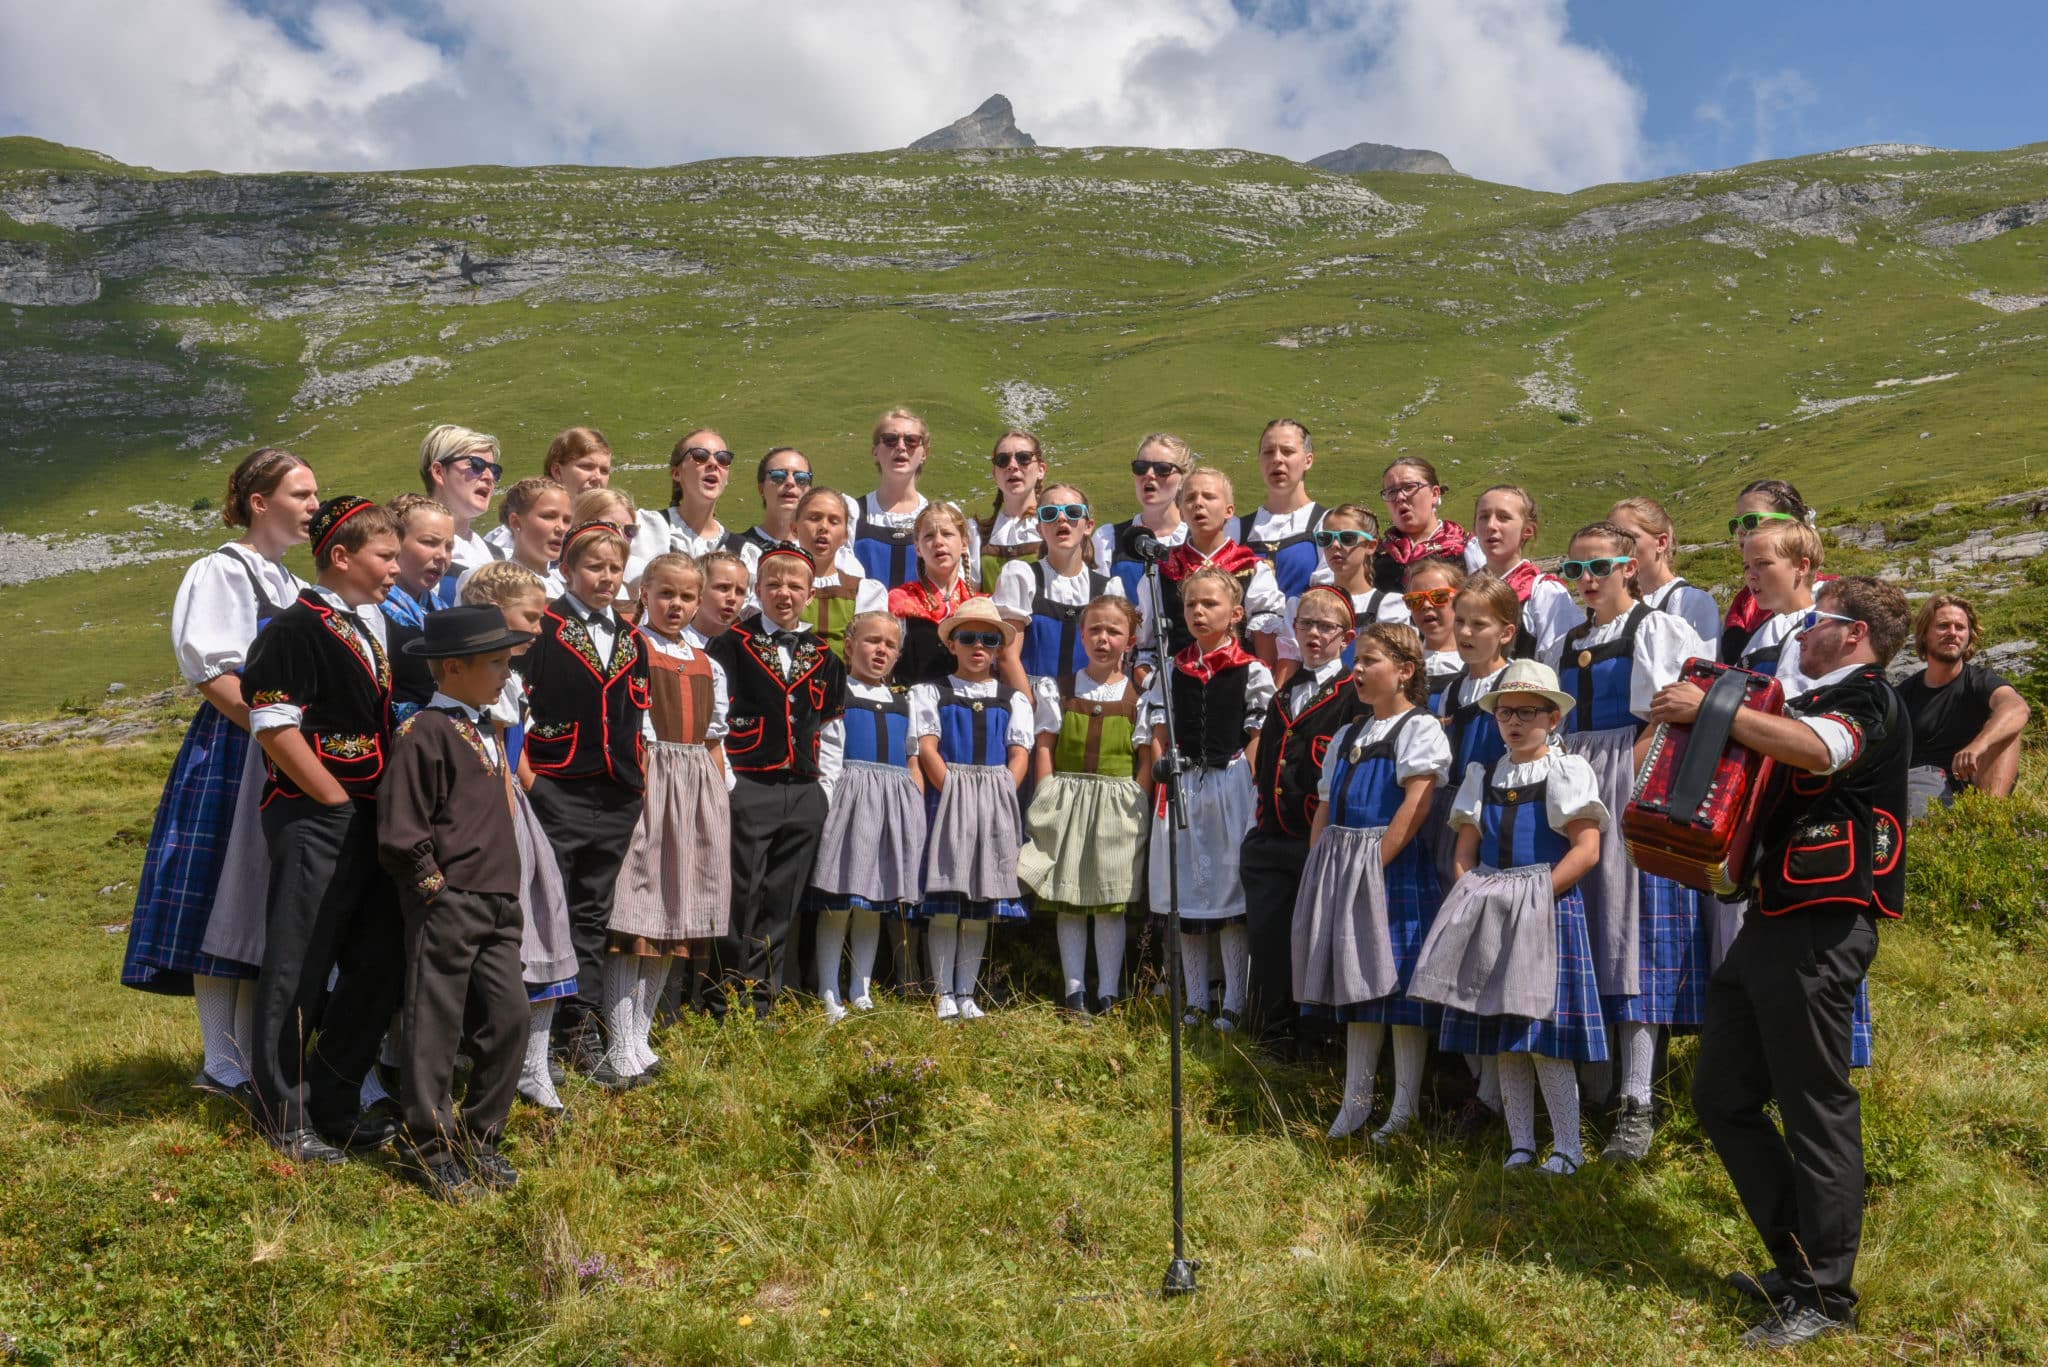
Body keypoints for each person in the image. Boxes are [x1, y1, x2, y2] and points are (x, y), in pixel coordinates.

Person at [1650, 576, 1912, 1349]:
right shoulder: (1809, 698)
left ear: (1854, 632)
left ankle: (1827, 1297)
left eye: (1815, 620)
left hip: (1822, 925)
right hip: (1773, 918)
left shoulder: (1869, 695)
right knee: (1720, 1093)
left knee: (1814, 1107)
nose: (1798, 631)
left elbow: (1823, 751)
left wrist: (1715, 709)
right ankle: (1799, 1265)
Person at [122, 448, 315, 1103]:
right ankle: (220, 1064)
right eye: (301, 494)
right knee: (220, 892)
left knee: (260, 898)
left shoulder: (292, 583)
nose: (314, 506)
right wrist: (271, 734)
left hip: (279, 742)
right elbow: (213, 672)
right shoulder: (222, 570)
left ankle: (247, 1061)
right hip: (239, 745)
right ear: (260, 502)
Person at [239, 495, 403, 1164]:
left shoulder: (370, 624)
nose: (396, 567)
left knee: (379, 956)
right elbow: (274, 725)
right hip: (316, 815)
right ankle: (282, 1114)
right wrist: (333, 800)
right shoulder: (294, 628)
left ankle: (336, 1099)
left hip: (371, 817)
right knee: (299, 963)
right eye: (385, 555)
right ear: (341, 556)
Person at [1544, 521, 1709, 1164]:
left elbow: (1663, 720)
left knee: (1635, 937)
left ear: (1629, 568)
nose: (1586, 580)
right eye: (1574, 569)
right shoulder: (1564, 642)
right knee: (1587, 931)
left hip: (1628, 782)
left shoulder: (1656, 628)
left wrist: (1624, 786)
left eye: (1600, 567)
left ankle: (1638, 1099)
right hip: (1575, 784)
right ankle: (1595, 1089)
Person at [1411, 659, 1609, 1175]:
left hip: (1546, 910)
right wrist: (1473, 892)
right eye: (1505, 713)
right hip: (1494, 908)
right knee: (1504, 1032)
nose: (1514, 722)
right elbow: (1465, 850)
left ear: (1553, 718)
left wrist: (1535, 895)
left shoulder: (1567, 771)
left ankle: (1568, 1146)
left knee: (1544, 1037)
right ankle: (1521, 1144)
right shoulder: (1484, 774)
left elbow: (1586, 849)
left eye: (1527, 712)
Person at [377, 604, 537, 1202]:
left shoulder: (489, 728)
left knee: (510, 1018)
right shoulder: (424, 732)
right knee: (434, 1026)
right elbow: (401, 827)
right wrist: (433, 888)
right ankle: (428, 1147)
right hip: (448, 903)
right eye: (495, 662)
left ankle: (480, 1136)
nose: (505, 673)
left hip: (498, 901)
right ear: (452, 668)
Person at [521, 521, 651, 1071]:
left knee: (592, 913)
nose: (606, 577)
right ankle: (534, 1037)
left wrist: (636, 783)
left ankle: (580, 1031)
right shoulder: (543, 628)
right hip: (558, 784)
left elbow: (637, 717)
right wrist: (536, 785)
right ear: (567, 569)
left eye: (615, 568)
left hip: (616, 792)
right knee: (545, 910)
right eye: (594, 566)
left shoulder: (632, 639)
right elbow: (517, 710)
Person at [600, 554, 731, 1088]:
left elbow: (714, 740)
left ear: (698, 602)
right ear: (645, 594)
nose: (675, 605)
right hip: (649, 779)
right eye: (666, 594)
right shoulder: (633, 648)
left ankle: (641, 1036)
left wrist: (717, 797)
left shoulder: (706, 662)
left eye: (686, 597)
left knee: (675, 913)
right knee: (637, 914)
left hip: (693, 785)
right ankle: (617, 1039)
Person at [707, 546, 849, 1019]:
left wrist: (824, 791)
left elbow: (832, 730)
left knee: (782, 898)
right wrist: (730, 783)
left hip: (804, 790)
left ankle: (761, 1001)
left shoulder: (825, 656)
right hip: (749, 784)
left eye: (794, 586)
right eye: (773, 585)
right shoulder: (731, 644)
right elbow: (715, 720)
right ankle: (722, 999)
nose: (783, 594)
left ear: (810, 595)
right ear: (759, 591)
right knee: (740, 896)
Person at [458, 562, 577, 1115]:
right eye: (530, 616)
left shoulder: (509, 678)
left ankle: (533, 1062)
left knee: (543, 924)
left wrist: (531, 789)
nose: (539, 626)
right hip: (487, 815)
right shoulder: (476, 681)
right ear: (493, 613)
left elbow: (511, 749)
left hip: (512, 809)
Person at [1145, 566, 1274, 1029]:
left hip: (1230, 785)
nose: (1198, 612)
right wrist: (1163, 779)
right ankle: (1196, 1000)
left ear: (1236, 613)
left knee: (1229, 891)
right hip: (1182, 786)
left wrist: (1251, 789)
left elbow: (1258, 736)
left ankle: (1235, 1001)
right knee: (1188, 893)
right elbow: (1159, 733)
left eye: (1209, 604)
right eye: (1190, 604)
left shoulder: (1251, 670)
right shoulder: (1171, 669)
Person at [1240, 585, 1366, 1052]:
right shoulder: (1285, 692)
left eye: (1326, 627)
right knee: (1270, 939)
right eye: (1306, 624)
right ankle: (1270, 1036)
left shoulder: (1353, 695)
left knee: (1315, 940)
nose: (1314, 634)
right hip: (1271, 837)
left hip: (1316, 841)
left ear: (1346, 637)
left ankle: (1316, 1042)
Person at [1019, 597, 1152, 1019]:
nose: (1103, 639)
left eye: (1114, 631)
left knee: (1110, 899)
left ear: (1130, 640)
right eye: (1094, 630)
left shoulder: (1138, 696)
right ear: (1081, 635)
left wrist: (1138, 798)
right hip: (1068, 800)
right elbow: (1045, 746)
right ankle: (1074, 992)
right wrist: (1046, 793)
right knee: (1070, 896)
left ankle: (1109, 992)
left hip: (1118, 805)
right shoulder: (1058, 689)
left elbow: (1146, 757)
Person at [909, 597, 1033, 1020]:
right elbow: (928, 747)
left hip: (993, 800)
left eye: (988, 639)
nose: (978, 646)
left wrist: (1000, 790)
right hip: (948, 797)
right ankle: (943, 991)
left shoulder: (1012, 699)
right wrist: (953, 789)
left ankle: (967, 992)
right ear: (952, 644)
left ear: (999, 648)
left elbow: (1019, 753)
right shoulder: (932, 692)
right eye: (968, 638)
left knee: (981, 900)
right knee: (947, 899)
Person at [811, 612, 925, 1020]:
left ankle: (860, 988)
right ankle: (828, 987)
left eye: (890, 645)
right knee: (839, 900)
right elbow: (828, 750)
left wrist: (913, 803)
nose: (881, 650)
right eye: (872, 641)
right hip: (851, 798)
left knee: (874, 899)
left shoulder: (904, 701)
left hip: (892, 802)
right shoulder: (838, 692)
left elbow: (912, 756)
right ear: (849, 646)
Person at [1138, 468, 1284, 667]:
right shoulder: (1163, 569)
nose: (1198, 503)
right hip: (1178, 680)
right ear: (1181, 513)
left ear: (1229, 511)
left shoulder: (1251, 568)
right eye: (1190, 498)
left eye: (1209, 496)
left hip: (1236, 680)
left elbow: (1265, 650)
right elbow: (1146, 650)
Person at [1900, 593, 2029, 814]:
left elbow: (2017, 707)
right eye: (1943, 626)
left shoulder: (1979, 681)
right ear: (1924, 635)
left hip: (1973, 785)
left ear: (1969, 636)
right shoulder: (1904, 693)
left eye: (1960, 627)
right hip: (1921, 784)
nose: (1952, 633)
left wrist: (1980, 744)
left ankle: (1986, 819)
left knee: (2009, 728)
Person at [995, 480, 1120, 693]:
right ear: (1039, 529)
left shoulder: (1107, 589)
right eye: (1049, 513)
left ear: (1088, 526)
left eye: (1073, 512)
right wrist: (1030, 706)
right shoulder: (1022, 577)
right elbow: (1007, 656)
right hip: (1029, 700)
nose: (1061, 518)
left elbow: (1114, 663)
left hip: (1086, 701)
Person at [846, 407, 982, 589]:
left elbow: (959, 587)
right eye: (890, 439)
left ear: (924, 453)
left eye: (911, 441)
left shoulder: (942, 518)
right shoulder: (852, 515)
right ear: (875, 452)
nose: (901, 447)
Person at [1274, 503, 1408, 684]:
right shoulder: (1300, 605)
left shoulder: (1389, 606)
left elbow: (1393, 673)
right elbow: (1288, 670)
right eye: (1325, 538)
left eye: (1347, 538)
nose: (1335, 545)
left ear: (1371, 545)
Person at [1463, 486, 1578, 659]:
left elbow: (1559, 661)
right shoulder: (1463, 589)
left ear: (1527, 530)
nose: (1491, 525)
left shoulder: (1544, 593)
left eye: (1503, 517)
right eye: (1484, 517)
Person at [1718, 478, 1815, 664]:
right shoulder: (1743, 602)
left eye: (1750, 520)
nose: (1740, 530)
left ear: (1791, 524)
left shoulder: (1826, 598)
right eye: (1735, 524)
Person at [887, 501, 983, 687]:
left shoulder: (979, 605)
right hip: (912, 700)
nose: (939, 542)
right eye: (929, 536)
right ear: (917, 548)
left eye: (947, 534)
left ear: (964, 543)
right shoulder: (900, 600)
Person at [1232, 418, 1326, 601]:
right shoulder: (1238, 529)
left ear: (1308, 460)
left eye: (1287, 451)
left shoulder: (1326, 524)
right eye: (1268, 452)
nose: (1276, 459)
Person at [484, 427, 615, 555]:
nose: (597, 477)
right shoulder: (514, 536)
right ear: (557, 472)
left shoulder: (613, 527)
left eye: (604, 471)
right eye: (586, 466)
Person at [1609, 496, 1720, 645]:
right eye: (1611, 539)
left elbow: (1700, 657)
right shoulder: (1612, 602)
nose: (1618, 547)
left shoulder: (1690, 601)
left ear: (1661, 543)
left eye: (1629, 537)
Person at [792, 486, 888, 657]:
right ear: (794, 528)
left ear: (845, 535)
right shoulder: (776, 586)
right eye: (814, 518)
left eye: (834, 521)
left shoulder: (862, 592)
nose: (823, 527)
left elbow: (870, 655)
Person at [1094, 433, 1191, 599]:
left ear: (1183, 478)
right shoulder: (1109, 539)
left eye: (1162, 469)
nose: (1149, 474)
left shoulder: (1196, 538)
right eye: (1141, 467)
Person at [1735, 519, 1826, 694]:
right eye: (1746, 567)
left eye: (1762, 563)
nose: (1750, 575)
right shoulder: (1766, 629)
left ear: (1801, 567)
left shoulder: (1817, 628)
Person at [462, 476, 568, 602]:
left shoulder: (567, 583)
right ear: (516, 522)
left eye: (567, 520)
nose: (562, 528)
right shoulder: (490, 581)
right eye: (548, 516)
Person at [419, 424, 505, 575]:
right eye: (476, 465)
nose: (489, 477)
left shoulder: (496, 555)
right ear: (439, 472)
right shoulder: (407, 550)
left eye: (494, 470)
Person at [1374, 458, 1468, 591]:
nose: (1400, 497)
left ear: (1434, 494)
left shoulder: (1466, 551)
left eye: (1409, 487)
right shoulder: (1375, 560)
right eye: (1391, 492)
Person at [663, 428, 752, 565]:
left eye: (723, 458)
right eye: (700, 455)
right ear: (676, 473)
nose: (714, 463)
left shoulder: (741, 552)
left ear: (726, 479)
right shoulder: (648, 527)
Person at [732, 448, 832, 564]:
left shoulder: (823, 551)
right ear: (761, 489)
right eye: (778, 476)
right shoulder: (735, 548)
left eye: (801, 478)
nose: (790, 482)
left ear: (809, 490)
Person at [978, 429, 1046, 589]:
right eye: (1003, 460)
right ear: (995, 474)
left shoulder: (1055, 525)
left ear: (1041, 470)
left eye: (1023, 458)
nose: (1012, 466)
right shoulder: (978, 534)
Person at [571, 486, 664, 597]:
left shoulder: (643, 573)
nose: (621, 537)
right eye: (609, 528)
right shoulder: (557, 578)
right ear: (579, 527)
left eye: (630, 530)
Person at [1402, 557, 1469, 702]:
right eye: (1415, 600)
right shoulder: (1403, 664)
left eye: (1439, 596)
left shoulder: (1476, 662)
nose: (1426, 605)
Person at [690, 549, 752, 648]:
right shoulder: (671, 641)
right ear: (698, 588)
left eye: (739, 591)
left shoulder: (745, 650)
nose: (732, 598)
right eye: (723, 587)